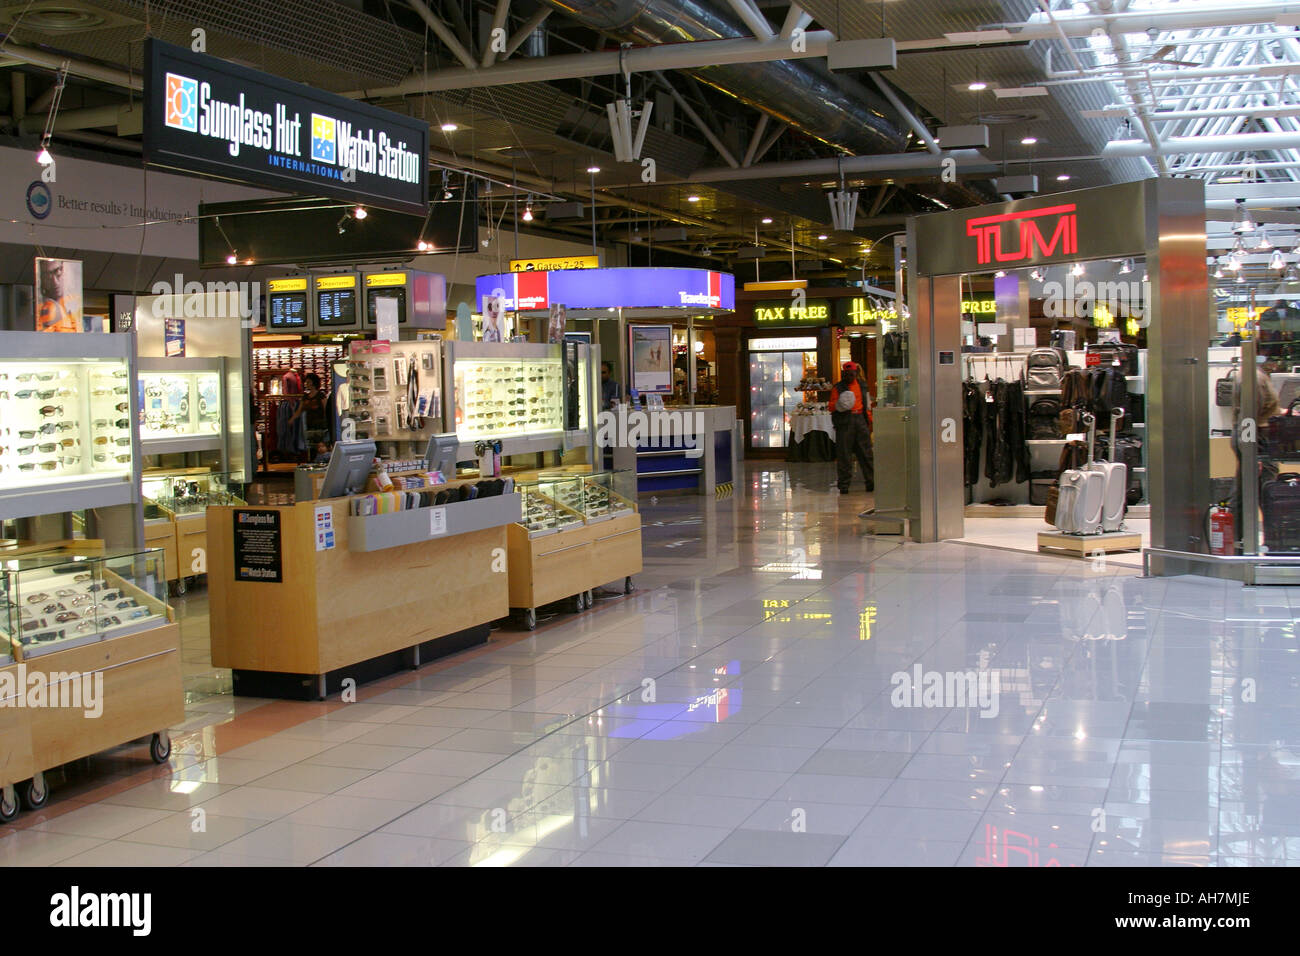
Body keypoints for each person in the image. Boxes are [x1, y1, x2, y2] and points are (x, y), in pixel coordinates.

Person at [830, 361, 874, 494]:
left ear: (856, 373)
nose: (849, 376)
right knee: (844, 455)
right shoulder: (837, 387)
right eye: (847, 374)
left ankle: (871, 482)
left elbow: (867, 405)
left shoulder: (862, 386)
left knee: (866, 453)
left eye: (852, 373)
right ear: (844, 374)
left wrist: (869, 420)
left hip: (859, 420)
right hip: (844, 421)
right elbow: (831, 406)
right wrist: (839, 405)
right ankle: (844, 486)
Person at [289, 372, 333, 460]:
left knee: (321, 448)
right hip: (309, 427)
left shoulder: (321, 395)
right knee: (311, 448)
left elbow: (326, 410)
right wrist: (292, 419)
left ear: (313, 383)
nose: (306, 384)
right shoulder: (305, 397)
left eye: (308, 382)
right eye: (306, 382)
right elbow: (299, 410)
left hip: (320, 427)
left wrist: (328, 423)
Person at [37, 259, 81, 333]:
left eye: (58, 272)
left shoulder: (74, 302)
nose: (55, 282)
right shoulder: (46, 308)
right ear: (42, 279)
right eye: (48, 276)